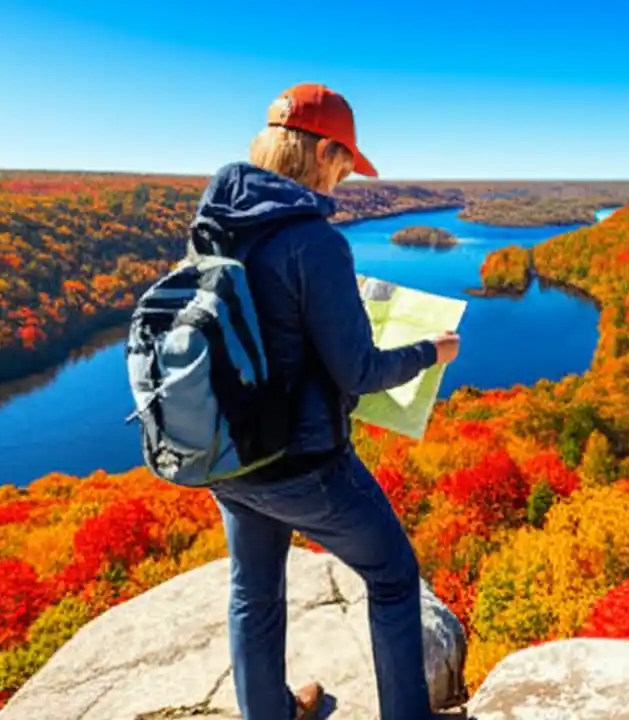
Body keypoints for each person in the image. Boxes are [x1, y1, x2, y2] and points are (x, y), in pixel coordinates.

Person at [192, 82, 461, 720]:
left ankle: (271, 712)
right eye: (344, 164)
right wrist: (431, 352)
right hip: (300, 460)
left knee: (253, 593)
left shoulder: (217, 223)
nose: (344, 179)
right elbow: (361, 370)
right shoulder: (315, 241)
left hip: (226, 450)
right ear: (320, 153)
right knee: (394, 575)